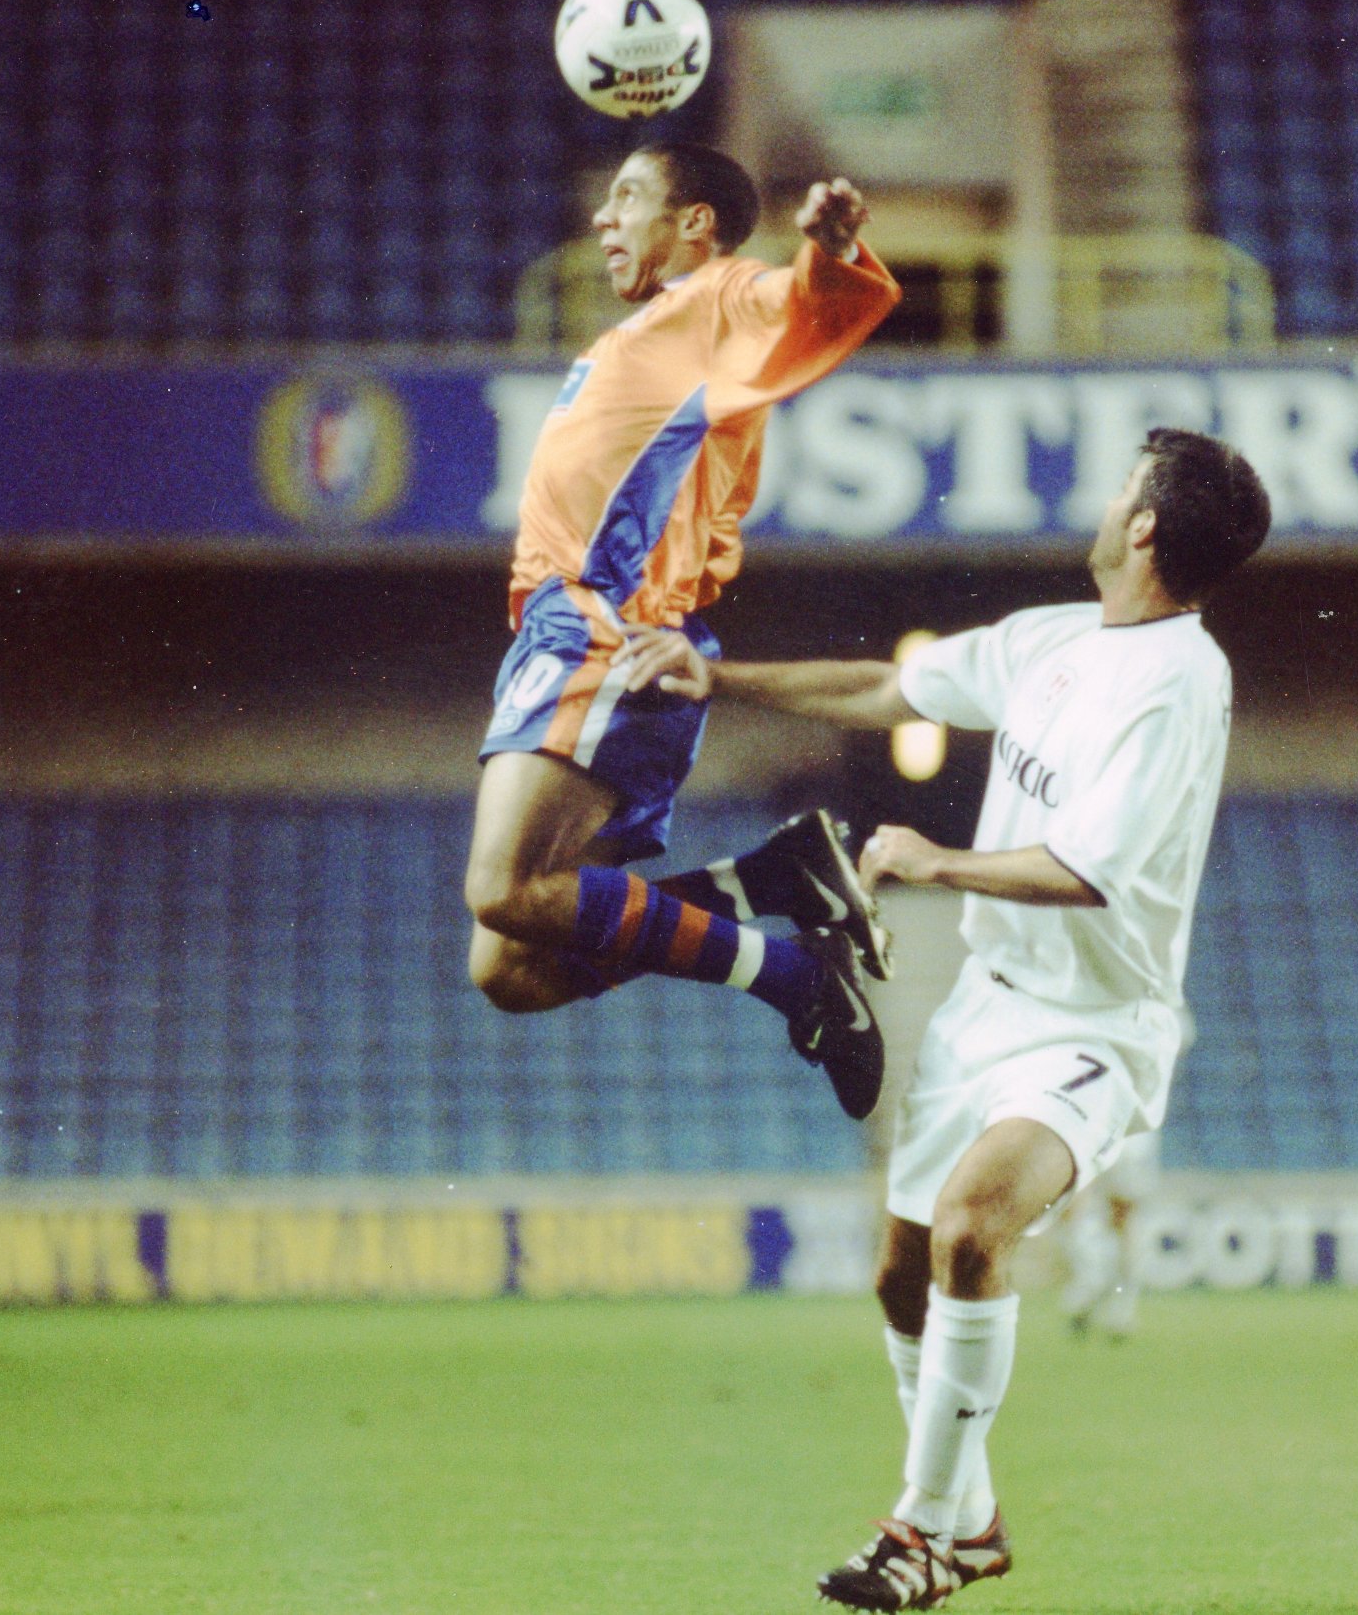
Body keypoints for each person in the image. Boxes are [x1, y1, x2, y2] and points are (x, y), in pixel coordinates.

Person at [619, 426, 1272, 1609]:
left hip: (1093, 1024)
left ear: (1143, 527)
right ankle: (970, 1522)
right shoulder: (1053, 641)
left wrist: (931, 858)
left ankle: (920, 1530)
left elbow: (1087, 870)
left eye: (1123, 480)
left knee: (973, 1223)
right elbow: (887, 686)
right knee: (900, 1275)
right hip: (987, 1006)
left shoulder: (1180, 679)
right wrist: (718, 675)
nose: (1106, 489)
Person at [462, 142, 902, 1121]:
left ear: (693, 222)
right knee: (512, 968)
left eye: (626, 197)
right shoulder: (647, 330)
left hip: (601, 621)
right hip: (572, 632)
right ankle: (768, 879)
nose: (601, 219)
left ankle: (794, 978)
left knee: (502, 889)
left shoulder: (716, 297)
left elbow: (799, 303)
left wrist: (826, 250)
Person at [1060, 1130, 1158, 1339]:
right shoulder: (1128, 1140)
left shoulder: (1136, 1140)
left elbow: (1123, 1205)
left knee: (1125, 1260)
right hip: (1100, 1215)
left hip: (1110, 1213)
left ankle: (1112, 1315)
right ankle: (1101, 1312)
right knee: (1113, 1263)